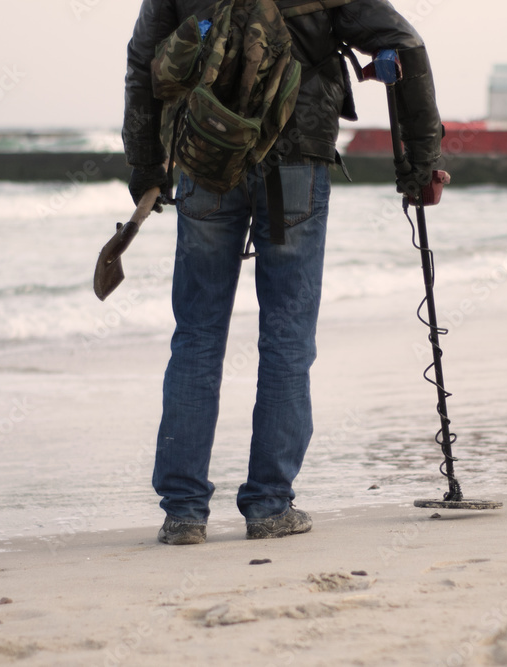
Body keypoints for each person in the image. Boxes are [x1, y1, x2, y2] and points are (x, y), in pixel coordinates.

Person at [122, 0, 443, 544]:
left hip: (204, 157)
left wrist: (146, 167)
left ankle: (183, 513)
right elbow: (405, 46)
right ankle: (269, 507)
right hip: (296, 160)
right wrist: (421, 163)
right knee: (287, 337)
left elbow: (142, 63)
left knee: (197, 335)